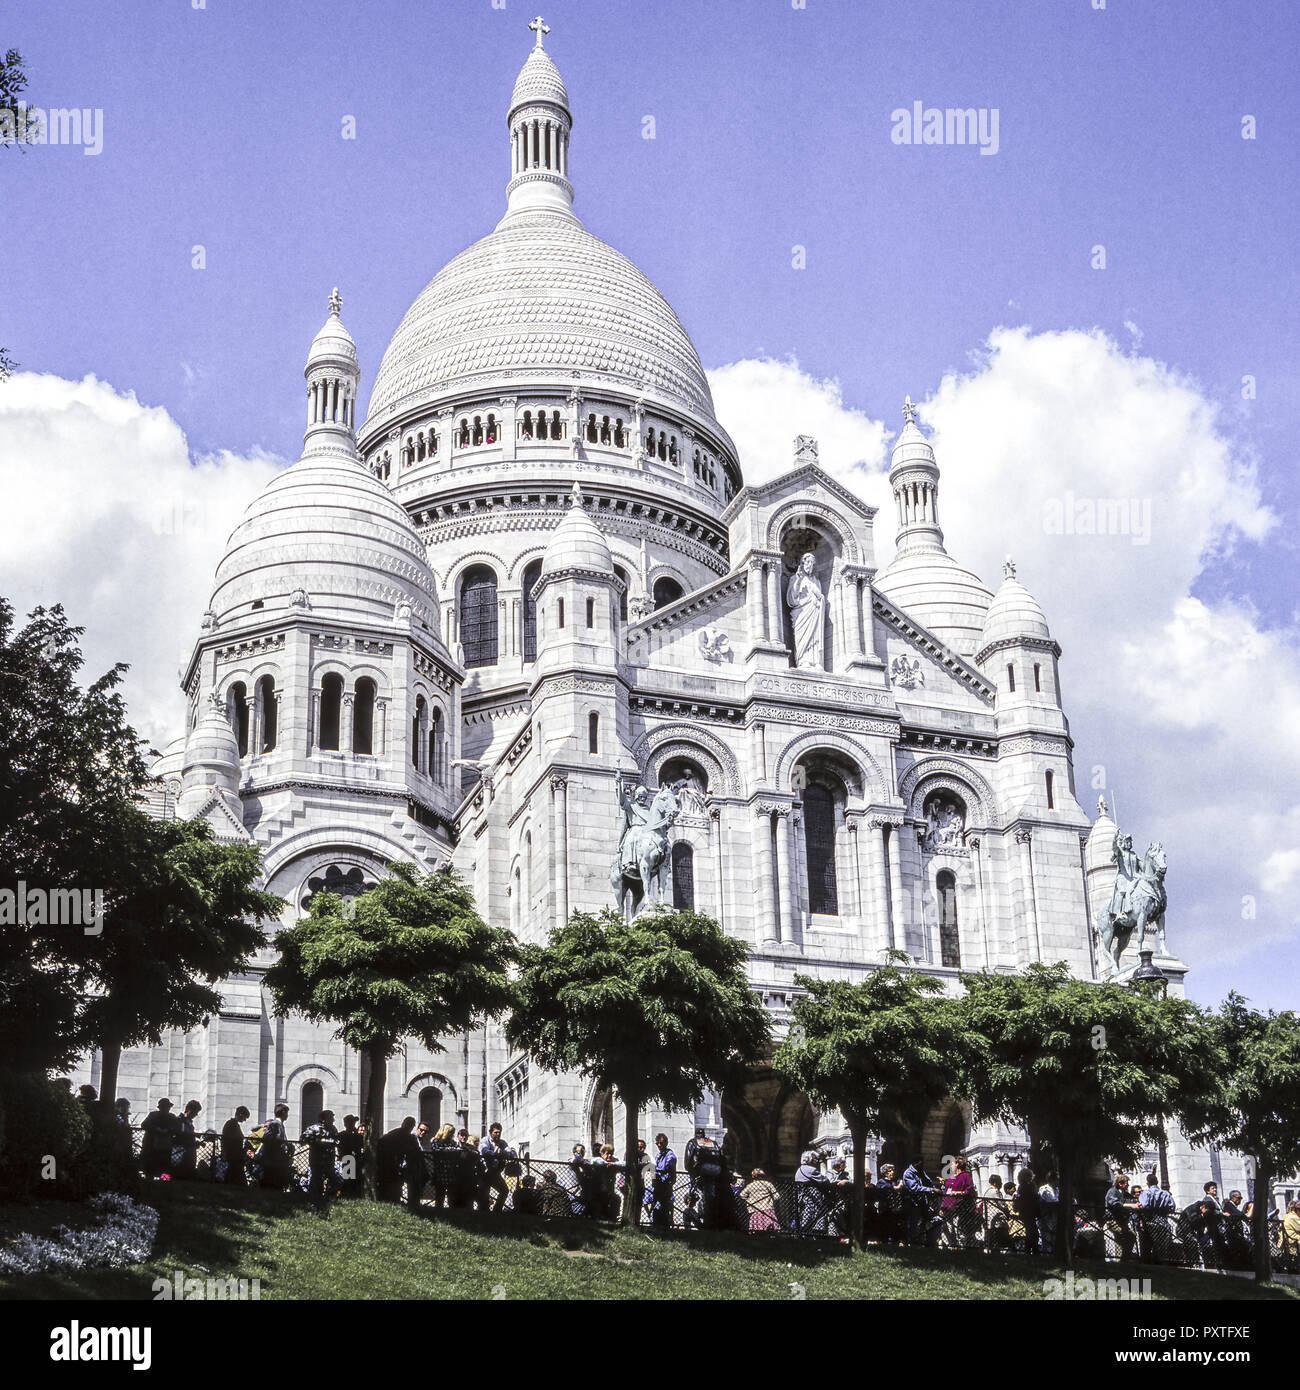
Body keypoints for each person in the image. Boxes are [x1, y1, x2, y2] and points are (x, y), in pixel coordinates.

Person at [684, 1127, 728, 1230]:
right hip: (716, 1172)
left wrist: (692, 1173)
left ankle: (700, 1223)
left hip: (701, 1172)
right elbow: (721, 1158)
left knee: (696, 1196)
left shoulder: (693, 1142)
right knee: (710, 1196)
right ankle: (710, 1220)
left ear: (695, 1134)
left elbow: (688, 1161)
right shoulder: (713, 1142)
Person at [301, 1109, 340, 1209]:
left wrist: (331, 1142)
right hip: (316, 1161)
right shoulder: (314, 1128)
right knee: (315, 1182)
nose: (333, 1120)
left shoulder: (333, 1129)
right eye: (331, 1117)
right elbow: (303, 1139)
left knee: (336, 1181)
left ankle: (328, 1198)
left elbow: (337, 1140)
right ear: (324, 1119)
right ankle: (313, 1202)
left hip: (329, 1161)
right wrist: (317, 1142)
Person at [377, 1117, 422, 1205]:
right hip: (392, 1164)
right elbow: (416, 1150)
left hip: (392, 1164)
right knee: (393, 1185)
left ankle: (391, 1200)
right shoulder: (405, 1136)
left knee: (393, 1185)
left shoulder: (395, 1133)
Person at [1136, 1172, 1178, 1262]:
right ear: (1157, 1182)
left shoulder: (1146, 1193)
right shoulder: (1165, 1193)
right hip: (1162, 1221)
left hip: (1149, 1222)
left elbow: (1143, 1206)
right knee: (1161, 1246)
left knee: (1146, 1246)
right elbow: (1172, 1207)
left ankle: (1147, 1264)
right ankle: (1159, 1262)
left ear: (1147, 1183)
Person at [479, 1123, 518, 1214]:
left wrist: (508, 1154)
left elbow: (510, 1152)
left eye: (499, 1132)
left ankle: (497, 1211)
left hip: (495, 1173)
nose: (498, 1134)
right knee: (484, 1194)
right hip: (485, 1173)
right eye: (496, 1132)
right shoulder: (485, 1140)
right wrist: (497, 1155)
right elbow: (484, 1151)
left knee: (504, 1190)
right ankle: (484, 1213)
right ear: (490, 1132)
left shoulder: (502, 1142)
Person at [901, 1156, 940, 1246]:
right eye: (921, 1162)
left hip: (923, 1203)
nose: (923, 1164)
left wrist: (935, 1189)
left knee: (934, 1221)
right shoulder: (908, 1173)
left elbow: (928, 1182)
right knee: (914, 1225)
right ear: (916, 1163)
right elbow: (914, 1188)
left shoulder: (921, 1173)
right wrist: (932, 1190)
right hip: (913, 1204)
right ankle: (914, 1245)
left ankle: (928, 1243)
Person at [941, 1156, 977, 1248]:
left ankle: (960, 1249)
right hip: (947, 1208)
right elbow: (947, 1190)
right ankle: (948, 1248)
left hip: (958, 1208)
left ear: (957, 1164)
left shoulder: (966, 1176)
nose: (951, 1165)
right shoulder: (951, 1176)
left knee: (958, 1230)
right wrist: (941, 1206)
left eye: (952, 1163)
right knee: (947, 1229)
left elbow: (970, 1190)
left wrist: (959, 1193)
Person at [140, 1098, 181, 1179]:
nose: (167, 1109)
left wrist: (168, 1130)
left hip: (164, 1147)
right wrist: (156, 1129)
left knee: (163, 1168)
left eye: (167, 1107)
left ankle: (162, 1182)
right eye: (165, 1107)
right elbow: (144, 1125)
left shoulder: (172, 1117)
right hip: (152, 1147)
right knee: (151, 1168)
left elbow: (178, 1128)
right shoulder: (153, 1115)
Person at [795, 1150, 833, 1235]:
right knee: (813, 1216)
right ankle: (816, 1233)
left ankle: (802, 1232)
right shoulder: (811, 1170)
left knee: (805, 1215)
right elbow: (825, 1181)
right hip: (812, 1199)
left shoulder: (799, 1169)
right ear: (810, 1159)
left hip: (802, 1197)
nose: (817, 1161)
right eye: (815, 1159)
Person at [259, 1104, 294, 1191]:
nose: (287, 1115)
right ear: (283, 1112)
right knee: (271, 1182)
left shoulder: (279, 1124)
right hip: (273, 1159)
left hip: (276, 1158)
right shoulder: (275, 1124)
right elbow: (266, 1139)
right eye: (286, 1113)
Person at [1105, 1172, 1137, 1261]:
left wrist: (1136, 1203)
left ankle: (1120, 1261)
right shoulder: (1112, 1192)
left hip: (1122, 1221)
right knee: (1131, 1236)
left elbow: (1131, 1199)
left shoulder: (1123, 1193)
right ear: (1120, 1183)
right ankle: (1125, 1258)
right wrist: (1131, 1206)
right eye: (1127, 1183)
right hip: (1113, 1220)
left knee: (1119, 1241)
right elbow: (1115, 1204)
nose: (1128, 1185)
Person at [740, 1168, 780, 1233]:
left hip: (755, 1210)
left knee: (756, 1231)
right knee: (771, 1230)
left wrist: (749, 1200)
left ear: (753, 1176)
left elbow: (742, 1195)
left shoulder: (750, 1186)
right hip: (768, 1209)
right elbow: (777, 1196)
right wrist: (770, 1199)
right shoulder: (768, 1184)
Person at [428, 1122, 458, 1209]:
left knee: (451, 1196)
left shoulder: (453, 1143)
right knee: (440, 1194)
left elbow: (457, 1150)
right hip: (440, 1172)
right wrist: (450, 1151)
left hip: (451, 1172)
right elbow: (436, 1150)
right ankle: (439, 1212)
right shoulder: (435, 1141)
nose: (452, 1135)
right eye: (450, 1132)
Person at [649, 1133, 677, 1228]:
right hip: (658, 1184)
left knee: (665, 1206)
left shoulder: (670, 1155)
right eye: (657, 1143)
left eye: (661, 1143)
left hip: (665, 1185)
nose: (659, 1145)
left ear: (666, 1143)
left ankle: (665, 1226)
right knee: (656, 1205)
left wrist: (655, 1168)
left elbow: (667, 1167)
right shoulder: (658, 1155)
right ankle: (656, 1225)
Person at [1014, 1166, 1041, 1255]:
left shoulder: (1021, 1187)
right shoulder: (1030, 1186)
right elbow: (1034, 1197)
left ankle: (1029, 1250)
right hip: (1030, 1211)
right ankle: (1033, 1250)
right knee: (1033, 1232)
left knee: (1030, 1231)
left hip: (1025, 1212)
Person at [221, 1106, 251, 1186]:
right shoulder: (231, 1124)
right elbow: (228, 1140)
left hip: (235, 1155)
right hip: (233, 1154)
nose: (244, 1120)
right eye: (245, 1117)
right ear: (240, 1114)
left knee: (232, 1173)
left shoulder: (233, 1124)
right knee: (236, 1173)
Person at [875, 1164, 905, 1244]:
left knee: (895, 1228)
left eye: (892, 1170)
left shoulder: (895, 1181)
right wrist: (896, 1188)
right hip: (885, 1209)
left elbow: (900, 1183)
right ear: (885, 1173)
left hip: (895, 1209)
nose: (892, 1172)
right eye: (889, 1171)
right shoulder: (882, 1182)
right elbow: (884, 1188)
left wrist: (900, 1183)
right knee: (885, 1227)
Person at [336, 1115, 364, 1197]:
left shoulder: (355, 1135)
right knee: (349, 1179)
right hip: (348, 1158)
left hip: (355, 1159)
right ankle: (348, 1194)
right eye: (351, 1122)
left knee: (354, 1179)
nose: (353, 1124)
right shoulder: (343, 1135)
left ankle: (351, 1194)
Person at [176, 1100, 203, 1179]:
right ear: (190, 1110)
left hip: (190, 1150)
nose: (196, 1115)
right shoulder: (180, 1120)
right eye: (195, 1112)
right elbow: (181, 1135)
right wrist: (193, 1135)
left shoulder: (189, 1122)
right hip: (182, 1151)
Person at [1037, 1171, 1059, 1255]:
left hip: (1056, 1218)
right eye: (1057, 1180)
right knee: (1046, 1239)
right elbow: (1051, 1201)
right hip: (1045, 1218)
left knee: (1055, 1240)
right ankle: (1046, 1257)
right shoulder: (1043, 1189)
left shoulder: (1057, 1190)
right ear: (1052, 1180)